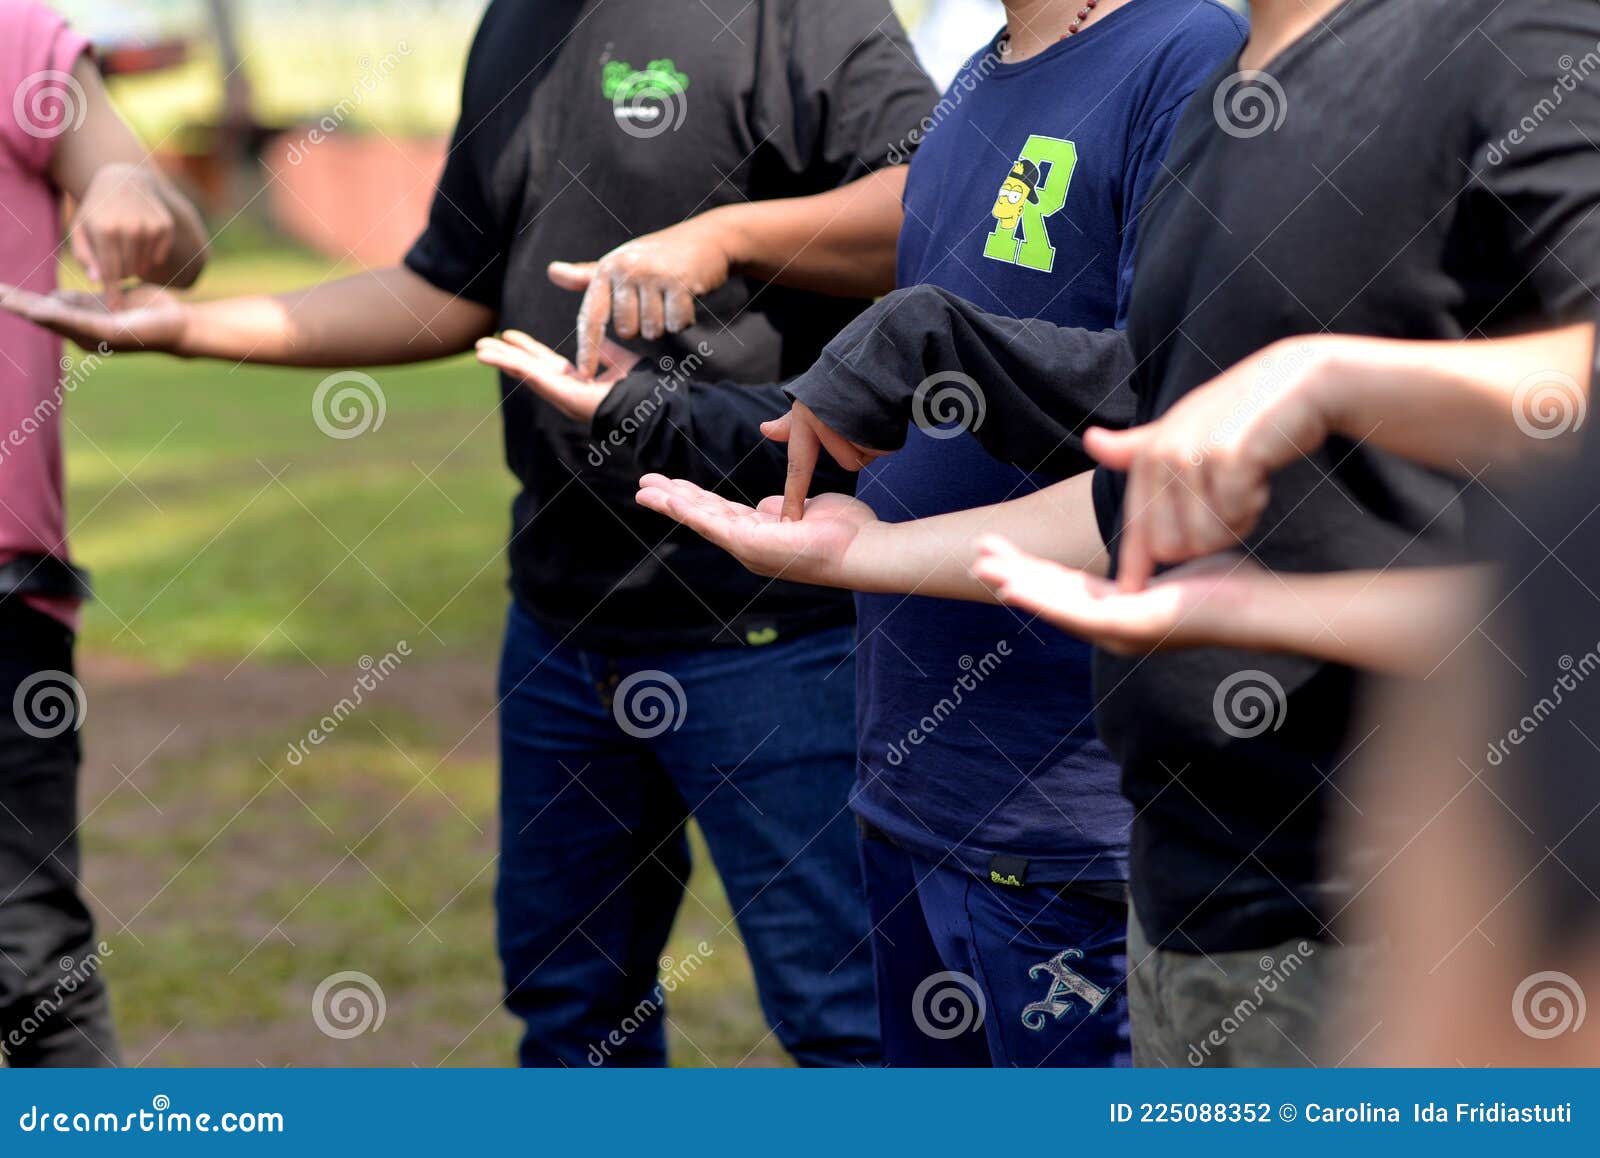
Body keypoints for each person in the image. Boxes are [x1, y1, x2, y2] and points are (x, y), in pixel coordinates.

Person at [634, 0, 1600, 1065]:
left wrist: (1326, 377)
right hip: (1181, 893)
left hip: (1358, 919)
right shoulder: (1225, 100)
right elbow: (1140, 477)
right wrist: (865, 555)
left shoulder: (1503, 43)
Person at [1, 0, 938, 1067]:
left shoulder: (794, 13)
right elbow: (443, 290)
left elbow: (927, 204)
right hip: (560, 627)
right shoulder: (519, 25)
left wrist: (725, 237)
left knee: (852, 1022)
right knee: (571, 1010)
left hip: (773, 622)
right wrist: (186, 328)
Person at [489, 0, 1246, 1067]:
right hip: (912, 797)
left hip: (1070, 825)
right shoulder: (983, 75)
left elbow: (1183, 414)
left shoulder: (1187, 53)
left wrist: (919, 336)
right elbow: (897, 416)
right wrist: (658, 413)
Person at [0, 0, 208, 1067]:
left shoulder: (11, 41)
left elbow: (182, 247)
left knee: (33, 972)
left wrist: (134, 189)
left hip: (3, 603)